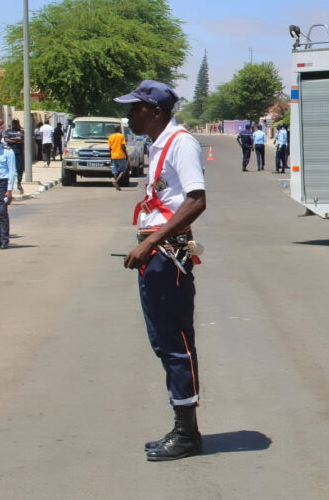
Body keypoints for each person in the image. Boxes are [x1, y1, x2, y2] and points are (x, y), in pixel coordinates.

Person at [117, 80, 207, 461]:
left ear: (155, 111)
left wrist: (150, 242)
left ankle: (187, 434)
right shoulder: (158, 145)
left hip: (165, 254)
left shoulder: (181, 143)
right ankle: (182, 425)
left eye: (135, 108)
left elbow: (196, 200)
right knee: (163, 341)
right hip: (156, 253)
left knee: (176, 344)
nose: (129, 114)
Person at [4, 119, 26, 194]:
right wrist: (16, 141)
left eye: (16, 123)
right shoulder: (8, 131)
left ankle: (19, 183)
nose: (15, 124)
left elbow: (21, 138)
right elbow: (6, 139)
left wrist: (11, 139)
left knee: (20, 169)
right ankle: (9, 185)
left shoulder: (21, 131)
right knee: (10, 169)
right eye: (14, 123)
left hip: (19, 153)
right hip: (10, 153)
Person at [108, 125, 128, 190]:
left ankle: (117, 185)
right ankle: (116, 181)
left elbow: (110, 148)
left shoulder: (110, 136)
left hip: (113, 155)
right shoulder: (121, 136)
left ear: (114, 130)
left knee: (114, 170)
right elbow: (123, 146)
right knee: (123, 169)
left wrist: (110, 156)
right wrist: (126, 154)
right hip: (121, 155)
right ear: (119, 129)